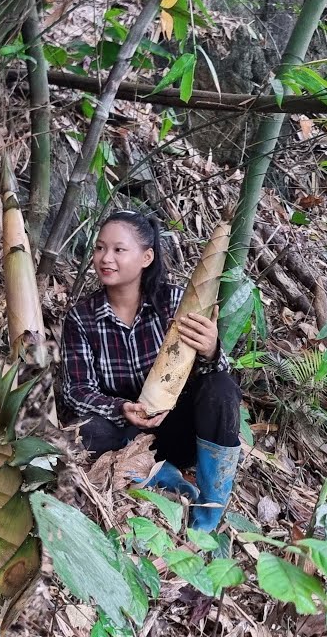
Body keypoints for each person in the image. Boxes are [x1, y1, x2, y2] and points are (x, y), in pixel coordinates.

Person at [59, 210, 242, 531]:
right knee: (83, 432)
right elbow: (76, 390)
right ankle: (166, 479)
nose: (106, 258)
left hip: (176, 428)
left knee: (222, 388)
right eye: (100, 248)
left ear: (146, 257)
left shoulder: (175, 303)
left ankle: (209, 514)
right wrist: (121, 408)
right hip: (122, 432)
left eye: (118, 249)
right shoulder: (82, 317)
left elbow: (213, 375)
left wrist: (211, 349)